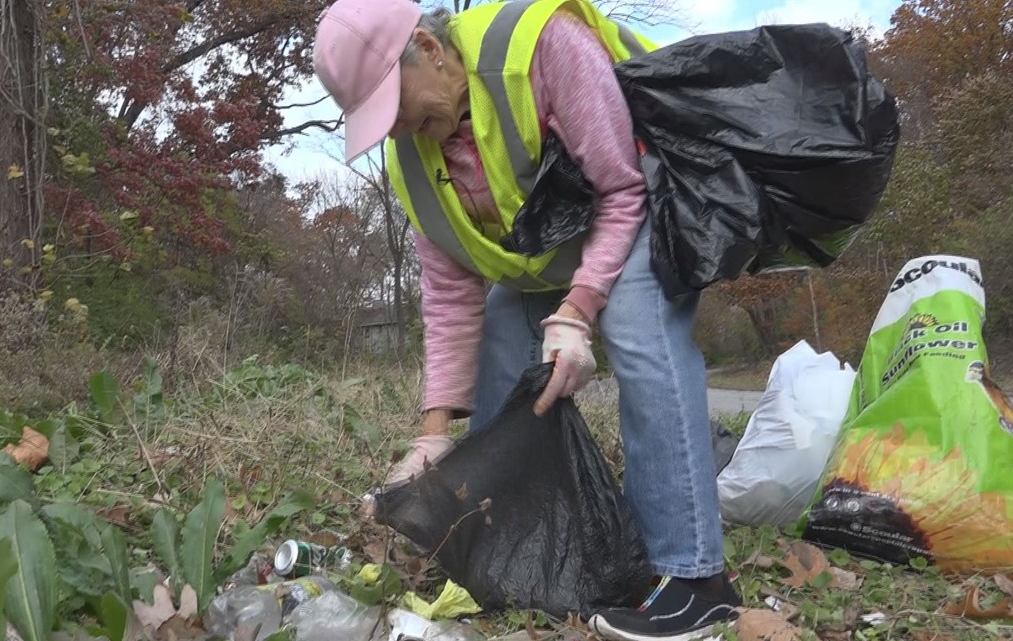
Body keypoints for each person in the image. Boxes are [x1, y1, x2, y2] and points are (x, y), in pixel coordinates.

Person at [312, 0, 741, 638]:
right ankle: (507, 548)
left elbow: (622, 189)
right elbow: (449, 294)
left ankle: (696, 577)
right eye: (382, 122)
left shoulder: (540, 47)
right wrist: (433, 434)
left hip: (641, 208)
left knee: (637, 328)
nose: (400, 129)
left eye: (397, 106)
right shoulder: (413, 158)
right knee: (499, 351)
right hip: (545, 260)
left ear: (429, 49)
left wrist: (579, 308)